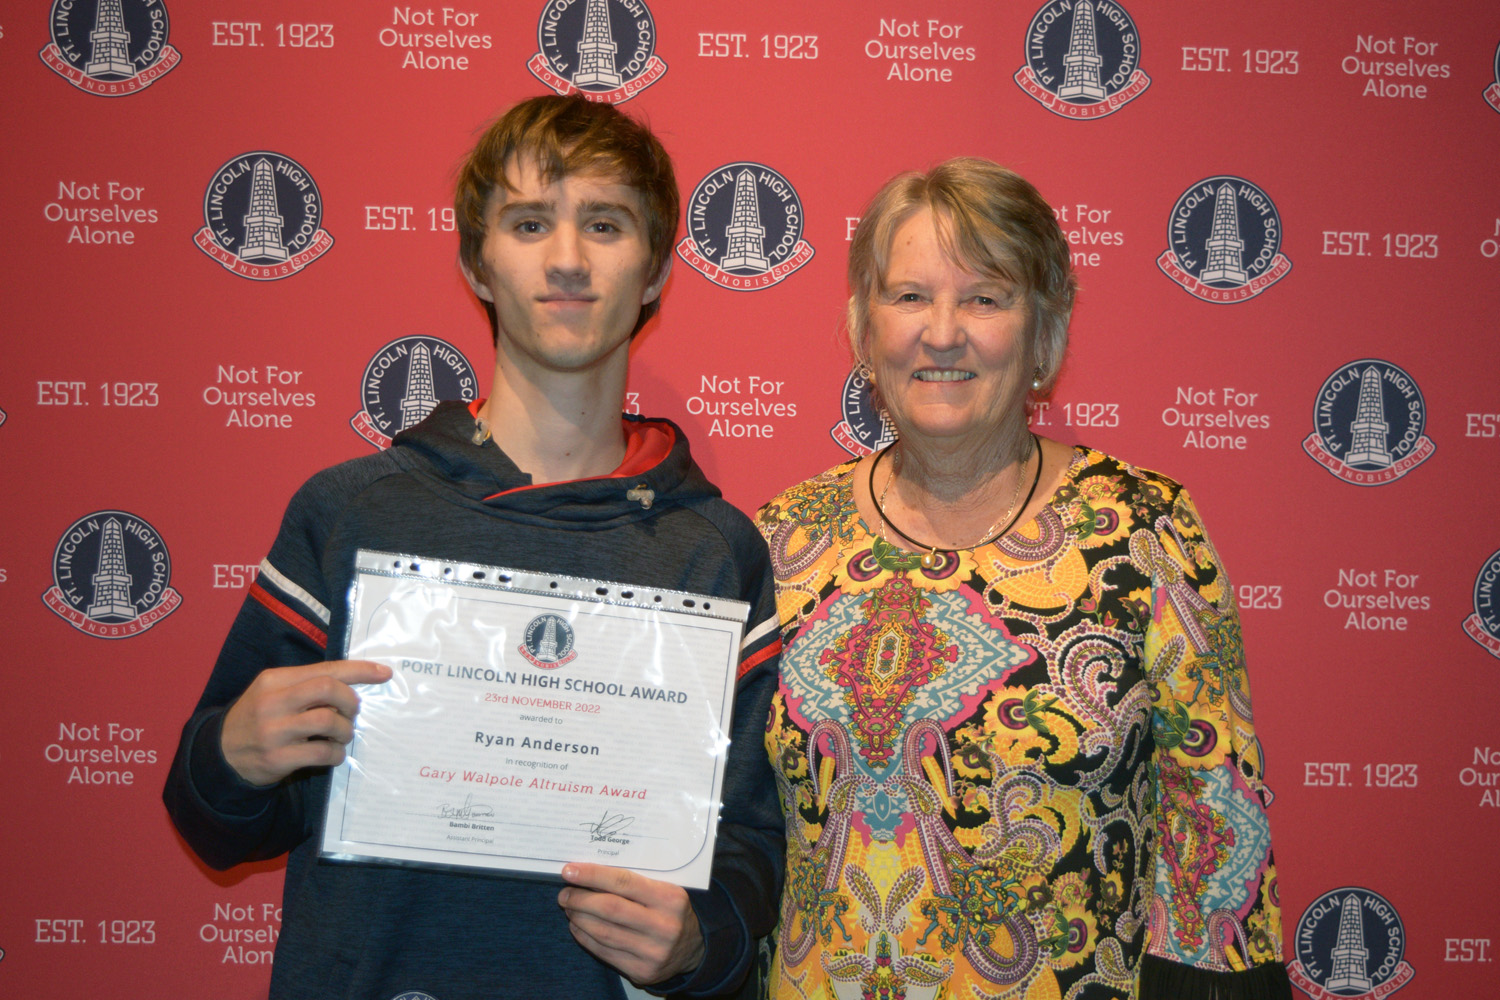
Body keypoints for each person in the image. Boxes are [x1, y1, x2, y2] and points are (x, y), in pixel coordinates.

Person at [163, 94, 783, 1000]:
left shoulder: (715, 551)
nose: (567, 260)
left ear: (654, 270)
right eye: (530, 224)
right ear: (476, 263)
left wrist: (701, 940)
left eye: (604, 226)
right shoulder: (350, 517)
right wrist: (233, 758)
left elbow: (753, 843)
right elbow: (216, 819)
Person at [755, 158, 1290, 999]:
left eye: (985, 297)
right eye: (909, 297)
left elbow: (1218, 844)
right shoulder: (784, 539)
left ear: (1044, 334)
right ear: (865, 329)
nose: (942, 331)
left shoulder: (1145, 531)